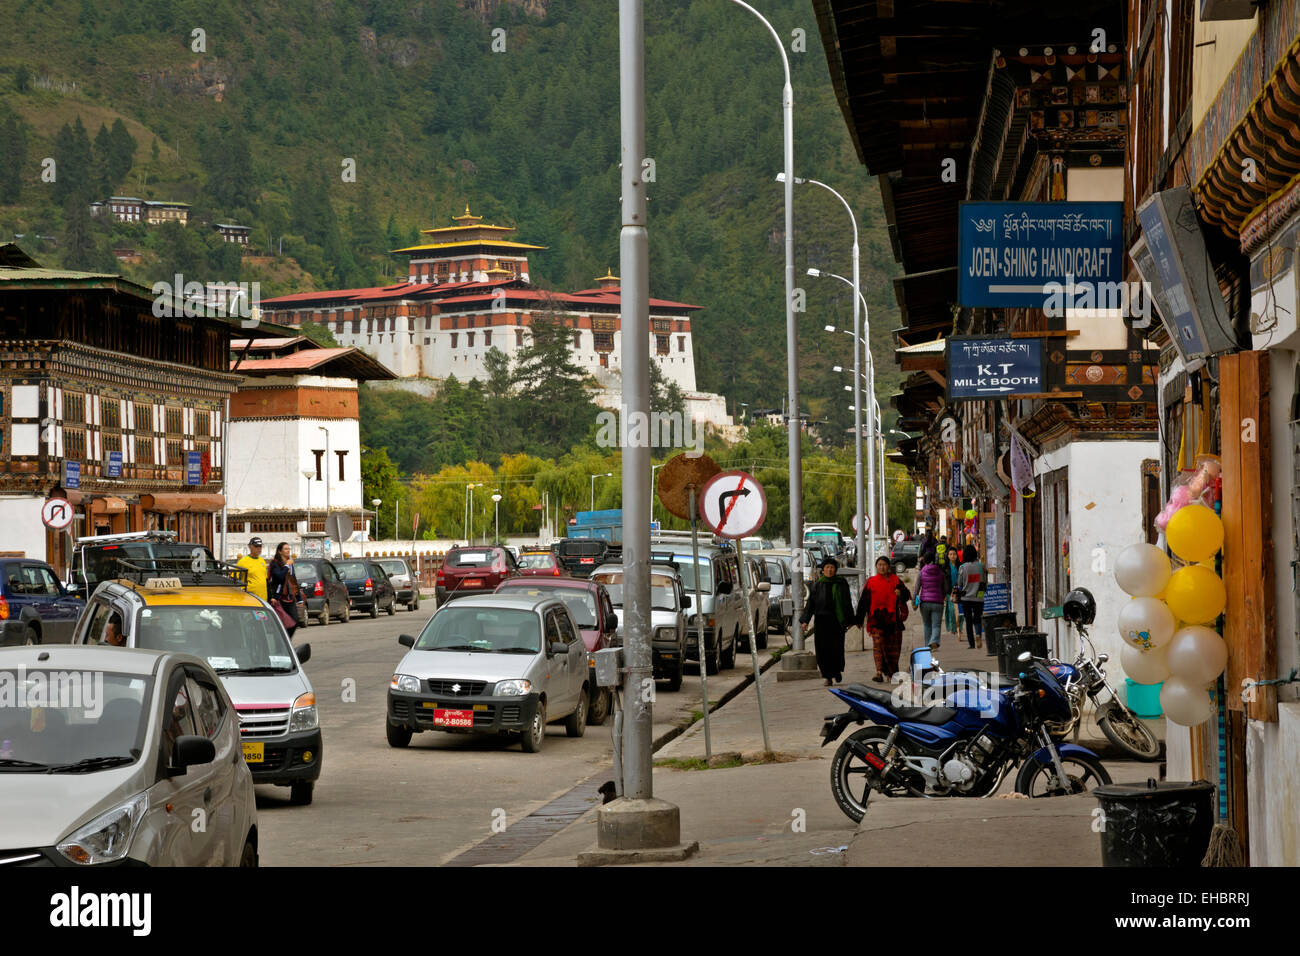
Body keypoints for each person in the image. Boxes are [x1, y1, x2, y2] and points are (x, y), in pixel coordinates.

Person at [799, 558, 853, 685]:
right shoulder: (817, 585)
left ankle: (836, 671)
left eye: (832, 567)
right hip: (822, 621)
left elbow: (847, 602)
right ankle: (827, 676)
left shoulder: (841, 583)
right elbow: (810, 604)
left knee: (837, 648)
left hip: (837, 621)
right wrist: (805, 620)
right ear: (823, 570)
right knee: (823, 650)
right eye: (827, 567)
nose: (830, 570)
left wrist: (850, 619)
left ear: (836, 569)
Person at [856, 556, 908, 682]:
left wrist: (901, 594)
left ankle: (891, 674)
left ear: (888, 567)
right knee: (878, 646)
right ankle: (879, 672)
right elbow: (864, 601)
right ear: (876, 567)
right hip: (876, 621)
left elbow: (906, 595)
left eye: (884, 564)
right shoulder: (871, 582)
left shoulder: (896, 580)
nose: (882, 567)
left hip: (893, 621)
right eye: (879, 564)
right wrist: (859, 619)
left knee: (893, 649)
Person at [268, 542, 302, 637]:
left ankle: (286, 642)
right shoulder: (275, 563)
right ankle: (281, 644)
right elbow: (280, 577)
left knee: (294, 622)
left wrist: (299, 598)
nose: (288, 551)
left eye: (289, 549)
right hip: (278, 598)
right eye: (286, 549)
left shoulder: (289, 563)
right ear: (279, 551)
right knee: (282, 623)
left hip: (289, 597)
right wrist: (287, 565)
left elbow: (293, 580)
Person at [956, 544, 987, 649]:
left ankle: (971, 644)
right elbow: (985, 582)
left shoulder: (963, 567)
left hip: (966, 598)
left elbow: (959, 584)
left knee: (968, 621)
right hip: (979, 597)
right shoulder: (981, 566)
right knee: (978, 618)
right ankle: (978, 634)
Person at [916, 553, 947, 649]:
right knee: (936, 625)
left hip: (925, 602)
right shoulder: (940, 572)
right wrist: (942, 596)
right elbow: (945, 588)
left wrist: (914, 602)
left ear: (924, 561)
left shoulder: (921, 572)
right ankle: (934, 640)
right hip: (938, 602)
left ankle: (927, 647)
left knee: (926, 625)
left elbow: (917, 588)